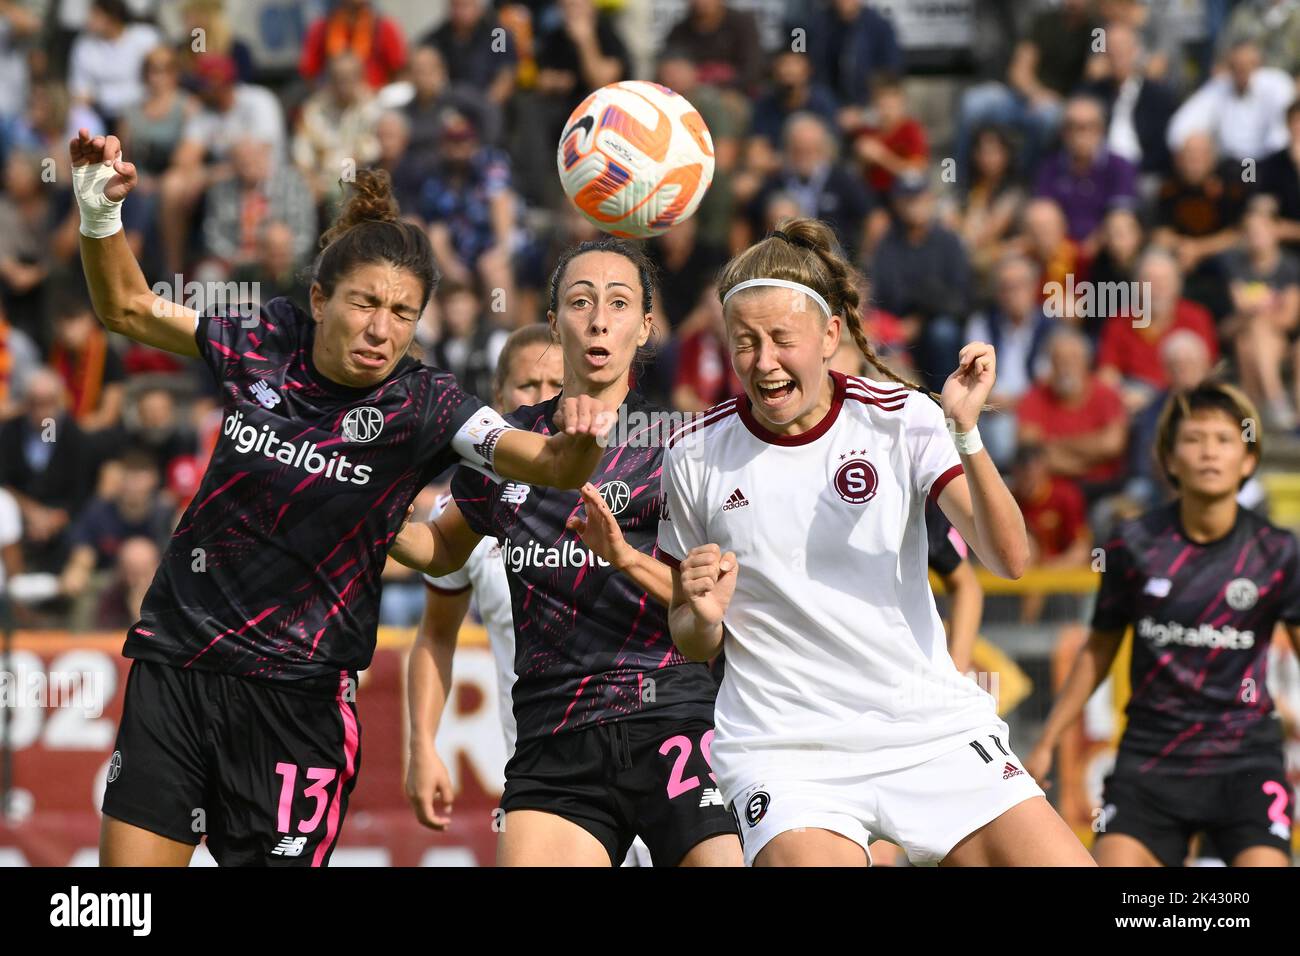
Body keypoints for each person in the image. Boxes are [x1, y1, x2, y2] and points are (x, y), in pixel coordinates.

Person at [71, 129, 613, 867]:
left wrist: (579, 431)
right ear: (320, 298)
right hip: (180, 665)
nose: (382, 329)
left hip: (299, 702)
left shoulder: (427, 404)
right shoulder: (265, 339)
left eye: (403, 312)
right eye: (365, 304)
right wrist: (98, 211)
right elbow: (129, 309)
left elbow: (548, 463)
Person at [657, 217, 1092, 866]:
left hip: (927, 729)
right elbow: (690, 641)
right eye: (745, 342)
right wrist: (700, 616)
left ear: (831, 334)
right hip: (786, 748)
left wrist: (966, 432)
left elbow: (1009, 559)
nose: (764, 362)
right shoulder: (693, 454)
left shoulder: (903, 419)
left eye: (782, 339)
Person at [390, 238, 741, 867]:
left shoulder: (686, 446)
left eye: (618, 302)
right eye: (580, 303)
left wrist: (626, 559)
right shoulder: (509, 443)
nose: (599, 319)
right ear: (554, 323)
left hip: (674, 719)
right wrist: (366, 503)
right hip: (556, 737)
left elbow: (713, 615)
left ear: (646, 326)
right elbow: (441, 551)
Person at [1027, 382, 1300, 867]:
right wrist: (1047, 739)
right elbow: (1098, 650)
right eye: (1194, 440)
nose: (1209, 452)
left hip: (1245, 762)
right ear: (1170, 459)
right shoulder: (1132, 544)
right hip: (1150, 761)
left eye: (1223, 440)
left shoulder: (1278, 553)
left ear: (1248, 460)